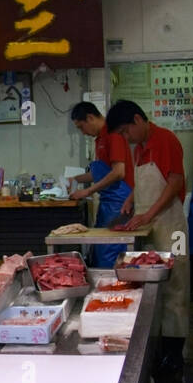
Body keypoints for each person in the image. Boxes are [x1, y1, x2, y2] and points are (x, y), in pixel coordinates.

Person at [108, 99, 190, 375]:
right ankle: (155, 349)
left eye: (125, 132)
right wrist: (132, 200)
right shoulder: (139, 148)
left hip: (172, 226)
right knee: (151, 288)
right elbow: (144, 185)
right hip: (150, 226)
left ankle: (174, 355)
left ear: (137, 120)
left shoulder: (165, 139)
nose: (126, 138)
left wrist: (148, 214)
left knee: (176, 283)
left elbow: (175, 182)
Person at [68, 102, 133, 267]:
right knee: (100, 249)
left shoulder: (113, 134)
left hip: (120, 203)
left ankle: (116, 292)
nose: (83, 132)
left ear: (90, 117)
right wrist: (75, 179)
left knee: (111, 253)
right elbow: (101, 173)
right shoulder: (100, 140)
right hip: (107, 205)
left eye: (81, 127)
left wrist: (88, 191)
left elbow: (119, 172)